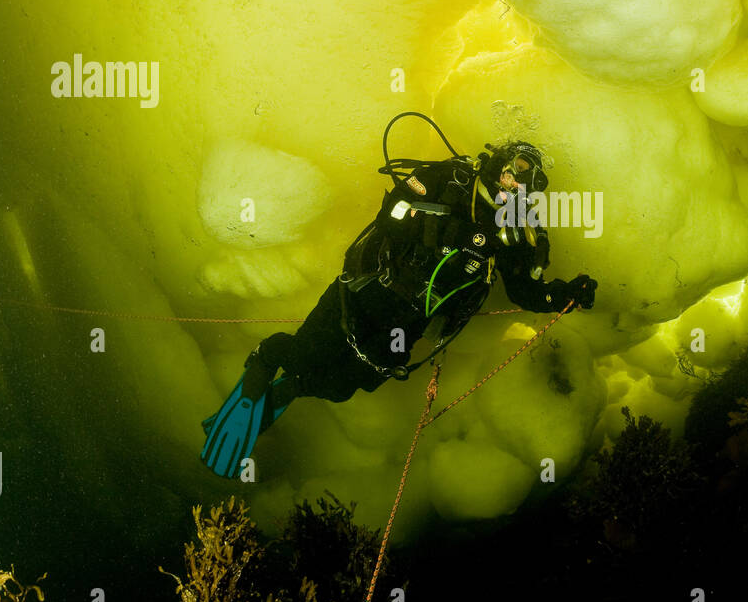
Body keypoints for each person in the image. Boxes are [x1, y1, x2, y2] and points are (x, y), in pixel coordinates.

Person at [201, 117, 598, 478]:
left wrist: (566, 294)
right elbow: (392, 213)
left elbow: (526, 291)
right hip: (366, 287)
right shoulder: (450, 177)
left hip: (409, 322)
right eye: (515, 170)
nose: (515, 184)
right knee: (305, 354)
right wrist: (455, 235)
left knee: (340, 388)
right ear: (499, 161)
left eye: (528, 183)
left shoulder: (513, 228)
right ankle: (268, 357)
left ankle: (290, 388)